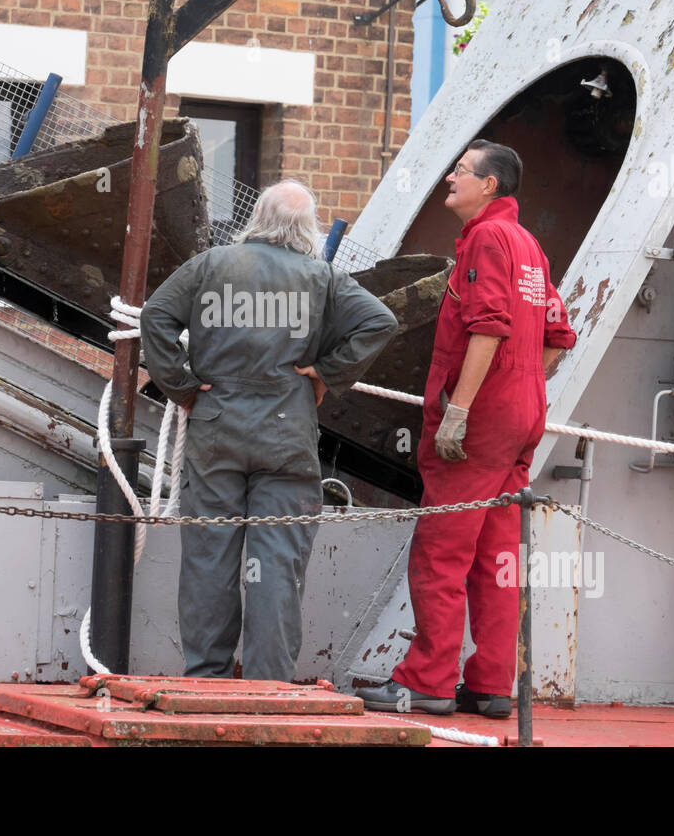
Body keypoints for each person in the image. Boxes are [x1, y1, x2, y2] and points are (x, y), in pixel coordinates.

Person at [140, 180, 398, 682]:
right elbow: (379, 322)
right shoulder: (321, 277)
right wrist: (327, 372)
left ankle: (206, 679)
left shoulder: (212, 264)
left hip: (215, 428)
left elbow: (156, 317)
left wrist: (184, 388)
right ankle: (268, 684)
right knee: (276, 563)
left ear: (257, 217)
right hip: (287, 435)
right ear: (308, 229)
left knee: (209, 559)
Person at [358, 139, 576, 716]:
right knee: (496, 555)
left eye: (461, 171)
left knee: (442, 551)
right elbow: (557, 334)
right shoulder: (529, 244)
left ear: (490, 186)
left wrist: (462, 408)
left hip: (479, 423)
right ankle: (490, 685)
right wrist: (520, 387)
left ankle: (426, 681)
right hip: (523, 416)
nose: (450, 178)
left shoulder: (485, 238)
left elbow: (488, 326)